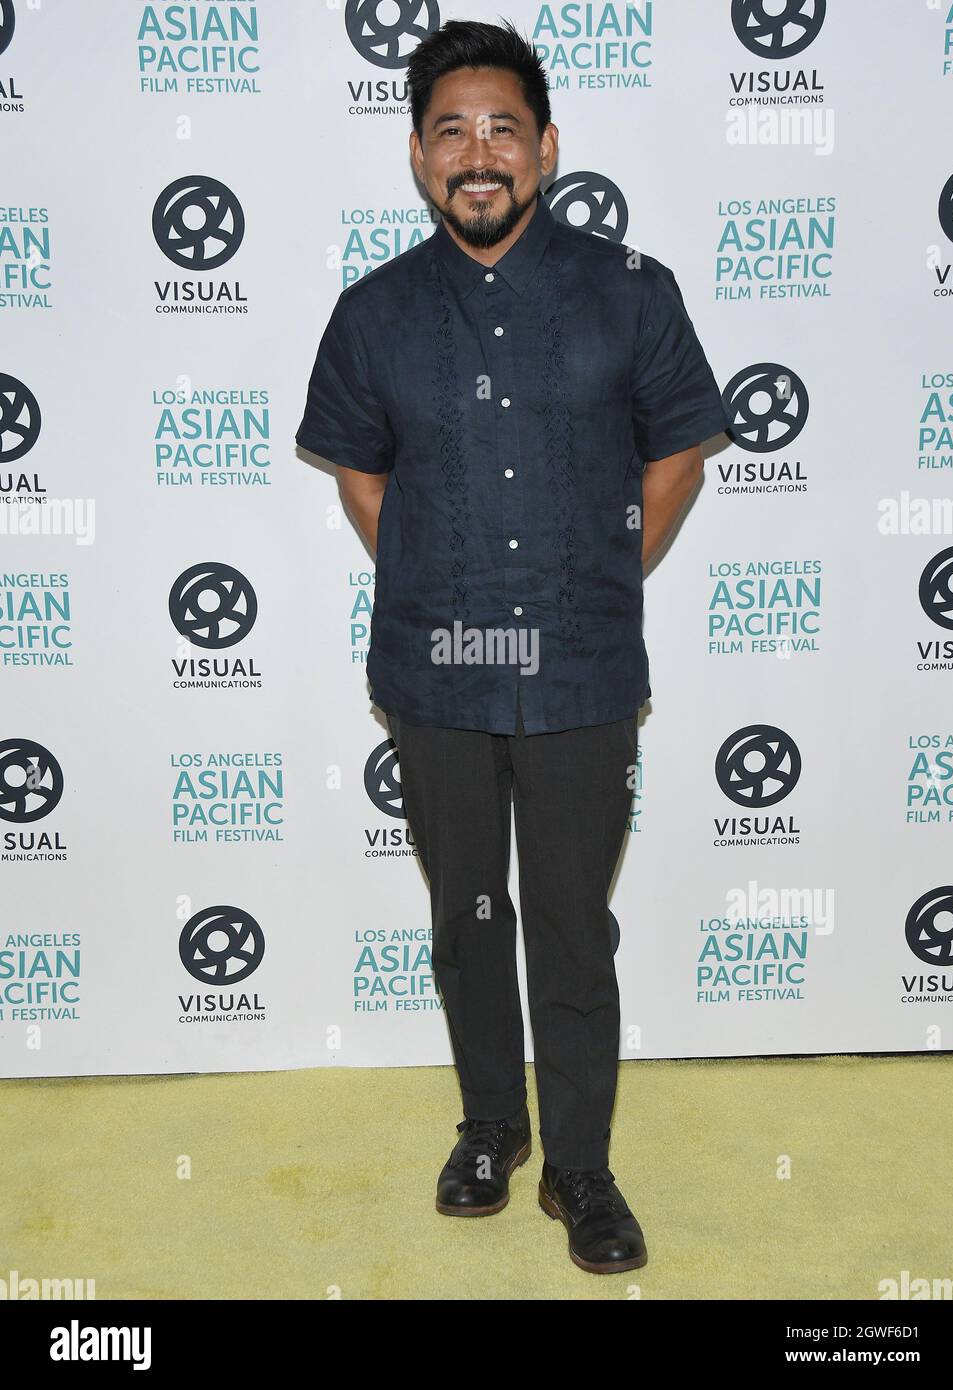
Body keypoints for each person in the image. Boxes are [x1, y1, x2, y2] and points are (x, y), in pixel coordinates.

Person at [295, 18, 731, 1276]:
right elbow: (364, 483)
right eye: (449, 131)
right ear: (419, 157)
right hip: (433, 676)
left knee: (567, 921)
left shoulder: (630, 291)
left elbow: (678, 452)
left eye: (500, 129)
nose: (475, 154)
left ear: (544, 147)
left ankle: (581, 1172)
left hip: (586, 671)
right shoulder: (371, 313)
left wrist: (598, 581)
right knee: (468, 912)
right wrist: (447, 593)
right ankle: (491, 1131)